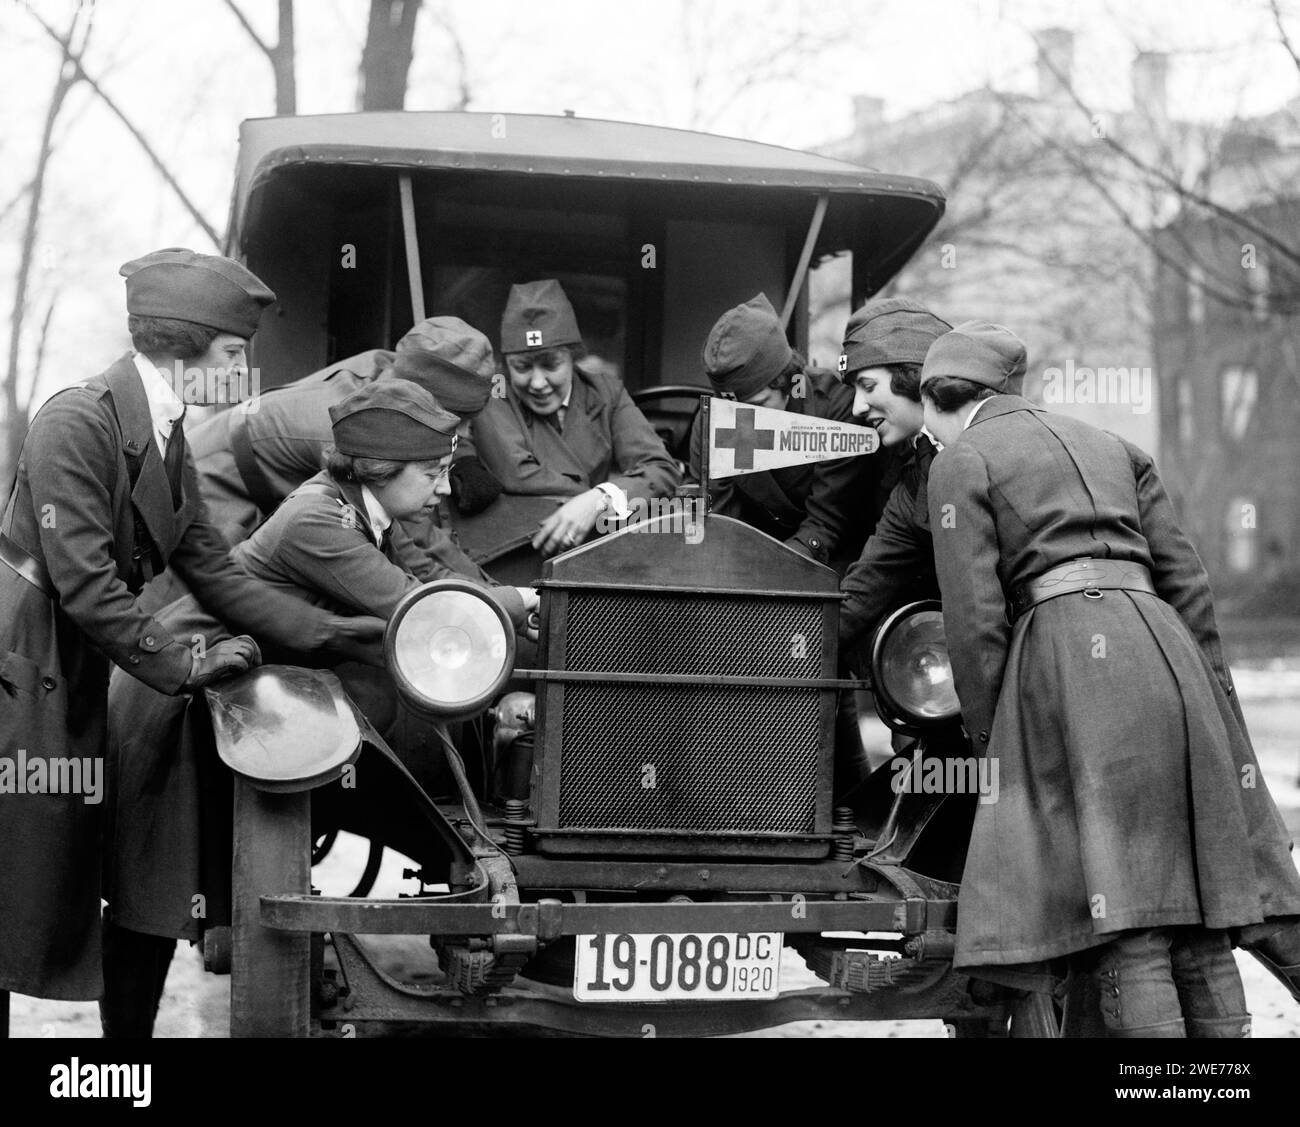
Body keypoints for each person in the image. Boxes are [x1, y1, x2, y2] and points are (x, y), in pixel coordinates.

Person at [0, 248, 382, 1005]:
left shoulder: (167, 433)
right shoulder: (77, 419)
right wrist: (183, 664)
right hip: (23, 660)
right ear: (182, 345)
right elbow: (84, 580)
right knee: (21, 879)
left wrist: (347, 634)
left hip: (80, 658)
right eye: (235, 353)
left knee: (97, 875)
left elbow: (217, 572)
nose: (245, 373)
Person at [102, 379, 527, 1036]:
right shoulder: (318, 520)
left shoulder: (372, 516)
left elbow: (435, 588)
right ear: (381, 468)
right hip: (177, 696)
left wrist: (495, 602)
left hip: (231, 693)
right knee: (152, 894)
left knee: (188, 882)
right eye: (432, 471)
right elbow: (423, 610)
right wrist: (528, 603)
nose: (443, 487)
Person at [921, 320, 1300, 1037]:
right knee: (1196, 912)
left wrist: (996, 745)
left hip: (1068, 667)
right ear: (1011, 387)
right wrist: (1213, 704)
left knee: (1125, 912)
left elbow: (973, 624)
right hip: (1167, 653)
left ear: (939, 399)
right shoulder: (1114, 447)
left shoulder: (961, 459)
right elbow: (1191, 585)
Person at [162, 316, 511, 618]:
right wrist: (500, 599)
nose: (463, 433)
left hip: (260, 480)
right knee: (201, 616)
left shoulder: (388, 375)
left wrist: (493, 591)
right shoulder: (352, 431)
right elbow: (414, 545)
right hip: (207, 485)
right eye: (457, 419)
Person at [688, 293, 897, 572]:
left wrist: (772, 575)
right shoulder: (714, 418)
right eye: (732, 407)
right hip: (740, 562)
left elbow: (824, 523)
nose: (742, 420)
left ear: (786, 381)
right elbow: (715, 518)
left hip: (829, 564)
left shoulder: (837, 410)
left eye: (757, 405)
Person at [472, 279, 680, 556]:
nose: (537, 383)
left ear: (573, 356)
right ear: (505, 365)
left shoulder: (606, 392)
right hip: (514, 549)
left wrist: (599, 499)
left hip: (594, 548)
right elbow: (518, 475)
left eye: (550, 365)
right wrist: (611, 492)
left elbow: (660, 469)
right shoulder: (494, 393)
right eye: (521, 367)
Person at [833, 297, 955, 655]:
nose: (857, 407)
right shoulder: (916, 479)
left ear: (911, 376)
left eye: (868, 387)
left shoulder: (1001, 444)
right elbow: (865, 587)